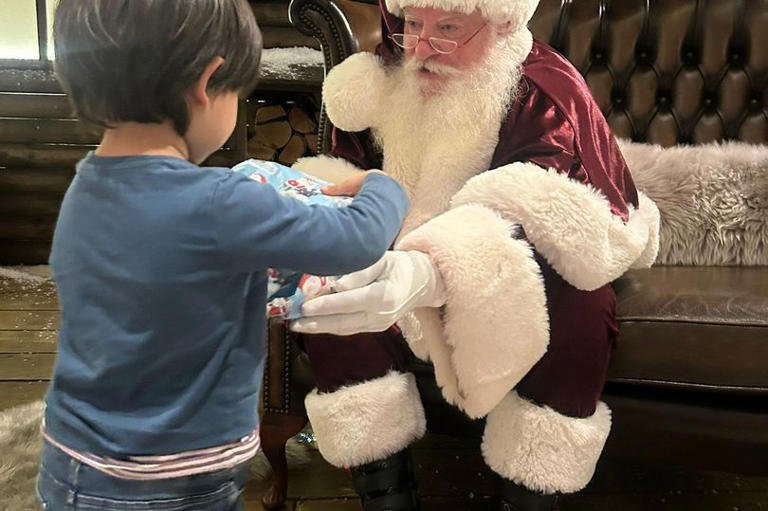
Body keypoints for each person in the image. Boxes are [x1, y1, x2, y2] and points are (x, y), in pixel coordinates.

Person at [289, 0, 660, 509]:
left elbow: (560, 219)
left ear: (503, 22)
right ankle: (385, 493)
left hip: (514, 264)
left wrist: (432, 266)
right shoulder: (383, 74)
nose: (420, 49)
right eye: (412, 25)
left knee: (584, 309)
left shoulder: (547, 93)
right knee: (332, 283)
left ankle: (527, 495)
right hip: (396, 255)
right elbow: (342, 176)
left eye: (446, 29)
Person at [38, 1, 409, 509]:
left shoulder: (85, 188)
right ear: (207, 82)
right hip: (176, 477)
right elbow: (355, 239)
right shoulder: (221, 201)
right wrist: (384, 187)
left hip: (72, 461)